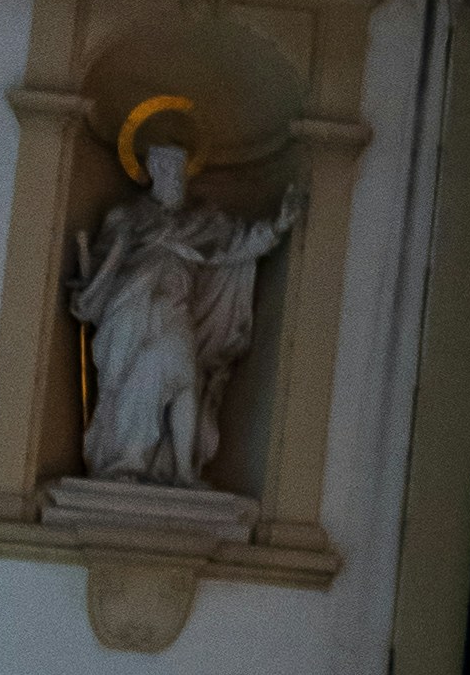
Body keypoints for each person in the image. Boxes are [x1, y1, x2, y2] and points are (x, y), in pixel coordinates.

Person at [69, 123, 301, 489]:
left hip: (174, 311)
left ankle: (183, 471)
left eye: (178, 171)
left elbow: (238, 245)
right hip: (130, 314)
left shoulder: (200, 222)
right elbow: (100, 270)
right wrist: (114, 257)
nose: (174, 178)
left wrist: (277, 227)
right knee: (136, 381)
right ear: (153, 174)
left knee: (184, 378)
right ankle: (125, 461)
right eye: (166, 170)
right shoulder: (126, 219)